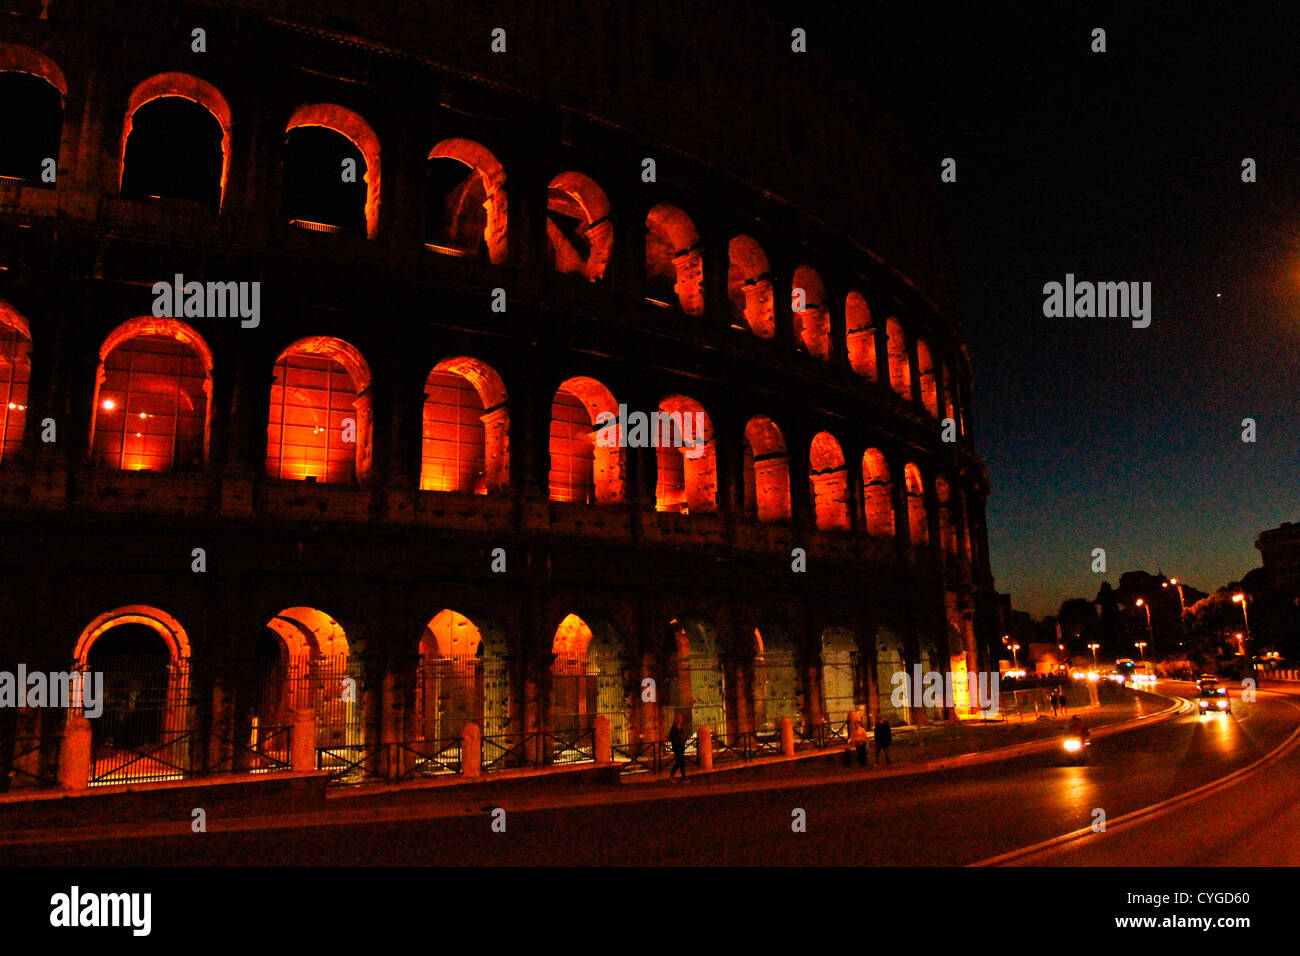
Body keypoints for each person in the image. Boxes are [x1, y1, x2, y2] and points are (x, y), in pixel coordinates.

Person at [667, 713, 688, 781]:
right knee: (679, 761)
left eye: (681, 718)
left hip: (681, 746)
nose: (681, 720)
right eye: (680, 718)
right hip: (677, 746)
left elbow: (683, 735)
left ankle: (683, 776)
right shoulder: (674, 728)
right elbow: (672, 737)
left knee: (681, 761)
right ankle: (672, 776)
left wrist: (684, 739)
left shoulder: (680, 727)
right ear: (677, 719)